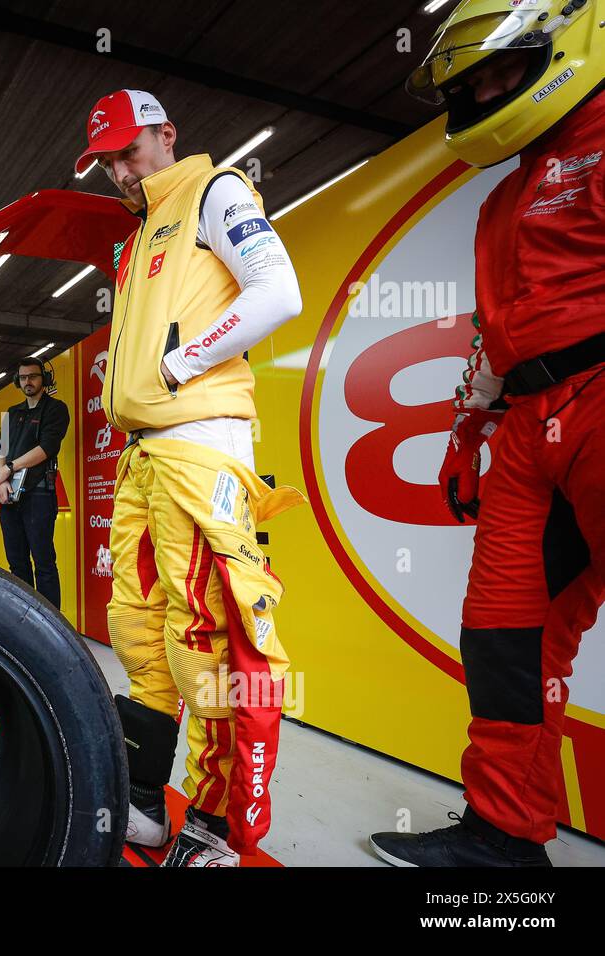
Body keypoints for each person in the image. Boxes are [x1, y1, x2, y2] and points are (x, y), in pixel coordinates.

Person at [371, 0, 605, 867]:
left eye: (502, 69)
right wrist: (465, 439)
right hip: (529, 430)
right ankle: (505, 839)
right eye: (470, 82)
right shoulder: (501, 200)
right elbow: (494, 338)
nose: (486, 90)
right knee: (505, 635)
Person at [76, 89, 305, 865]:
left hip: (203, 441)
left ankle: (213, 831)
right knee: (140, 633)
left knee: (207, 637)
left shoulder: (216, 191)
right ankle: (145, 806)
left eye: (127, 152)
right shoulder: (140, 234)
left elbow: (279, 291)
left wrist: (182, 362)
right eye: (104, 160)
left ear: (166, 135)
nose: (116, 170)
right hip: (147, 452)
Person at [0, 357, 70, 608]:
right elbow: (0, 448)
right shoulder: (13, 413)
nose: (28, 381)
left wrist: (10, 468)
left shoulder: (56, 409)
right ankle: (22, 618)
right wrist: (0, 479)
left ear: (44, 379)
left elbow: (47, 447)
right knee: (17, 563)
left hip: (39, 496)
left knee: (44, 563)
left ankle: (50, 626)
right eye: (23, 377)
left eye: (33, 376)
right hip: (10, 497)